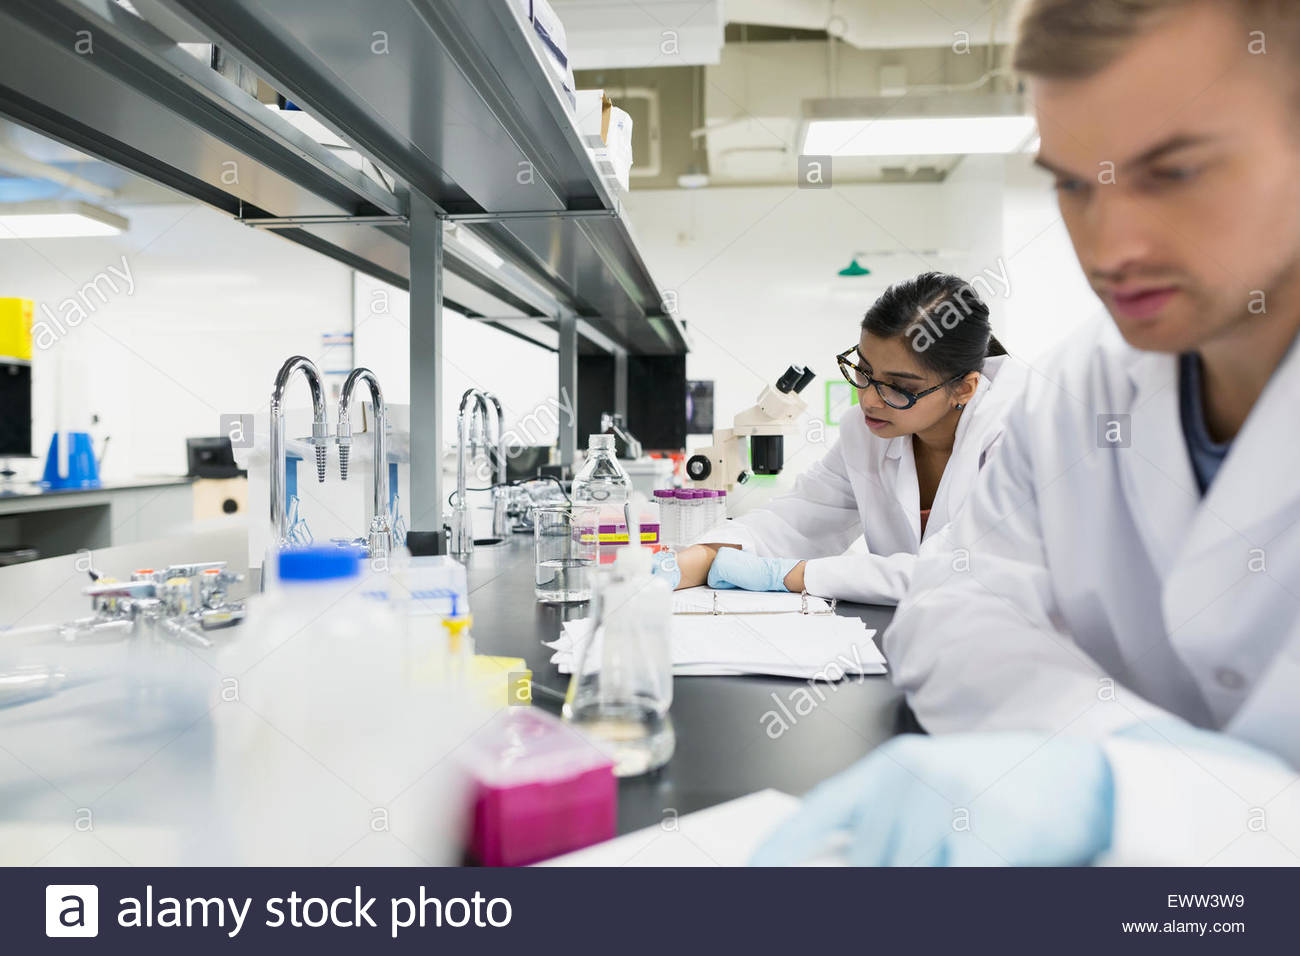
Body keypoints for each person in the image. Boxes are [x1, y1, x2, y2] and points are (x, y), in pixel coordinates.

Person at [755, 0, 1300, 866]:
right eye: (1074, 183)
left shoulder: (1026, 406)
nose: (1111, 245)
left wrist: (1142, 799)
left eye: (1177, 171)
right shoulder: (1082, 391)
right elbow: (951, 610)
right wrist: (1120, 765)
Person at [656, 272, 1026, 605]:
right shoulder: (866, 431)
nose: (867, 399)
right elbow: (799, 518)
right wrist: (699, 558)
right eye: (863, 371)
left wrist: (793, 576)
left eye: (898, 388)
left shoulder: (1016, 434)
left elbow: (961, 570)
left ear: (963, 389)